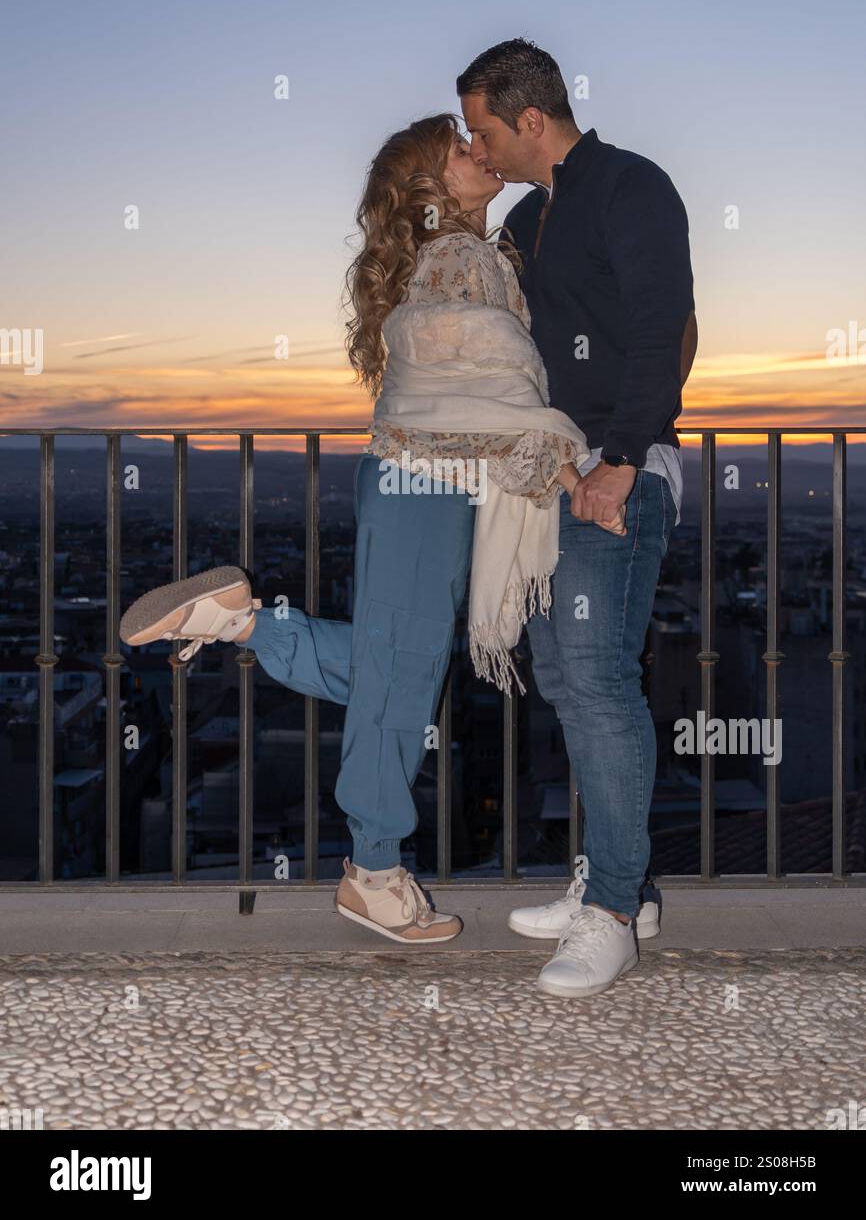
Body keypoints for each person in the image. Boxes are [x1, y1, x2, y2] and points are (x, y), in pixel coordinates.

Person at [119, 113, 592, 951]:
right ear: (429, 189)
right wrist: (554, 459)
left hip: (416, 482)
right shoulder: (455, 254)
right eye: (460, 146)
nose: (480, 153)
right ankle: (372, 872)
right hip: (426, 486)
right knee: (403, 675)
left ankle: (233, 620)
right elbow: (473, 371)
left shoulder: (456, 253)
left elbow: (466, 376)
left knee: (392, 665)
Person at [457, 38, 698, 997]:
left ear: (530, 119)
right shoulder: (523, 215)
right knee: (565, 673)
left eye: (484, 130)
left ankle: (610, 920)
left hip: (618, 474)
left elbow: (663, 325)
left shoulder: (632, 186)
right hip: (557, 477)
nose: (480, 146)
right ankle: (616, 886)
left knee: (596, 680)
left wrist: (624, 459)